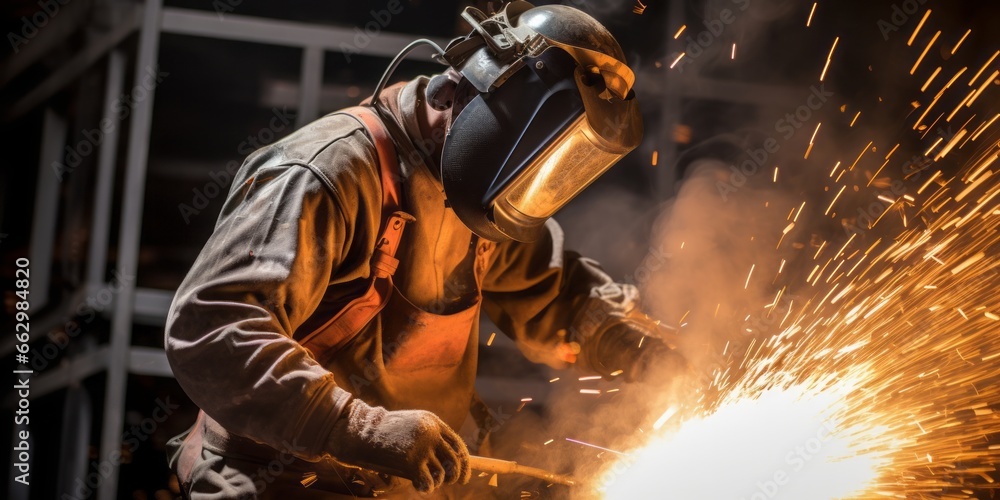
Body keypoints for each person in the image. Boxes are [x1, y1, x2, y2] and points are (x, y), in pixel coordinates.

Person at [164, 2, 687, 498]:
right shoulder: (325, 174)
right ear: (459, 96)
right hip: (275, 477)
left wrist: (618, 336)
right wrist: (358, 427)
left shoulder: (485, 193)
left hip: (403, 483)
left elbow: (548, 288)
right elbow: (211, 328)